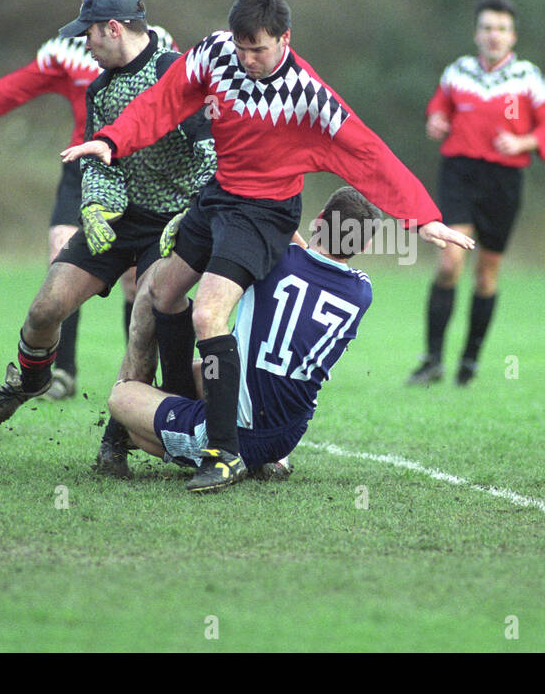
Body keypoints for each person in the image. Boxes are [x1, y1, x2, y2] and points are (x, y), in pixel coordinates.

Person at [61, 0, 474, 492]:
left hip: (264, 214)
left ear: (284, 38)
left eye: (258, 48)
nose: (248, 58)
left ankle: (224, 452)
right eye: (242, 46)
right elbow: (163, 102)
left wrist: (421, 216)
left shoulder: (308, 95)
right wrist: (111, 139)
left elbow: (369, 155)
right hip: (217, 198)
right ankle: (177, 402)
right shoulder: (215, 52)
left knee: (208, 313)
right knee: (158, 295)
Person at [0, 0, 215, 462]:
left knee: (144, 317)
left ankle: (116, 438)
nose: (84, 44)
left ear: (113, 28)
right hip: (122, 221)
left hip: (173, 223)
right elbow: (100, 162)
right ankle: (33, 376)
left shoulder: (175, 73)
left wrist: (194, 212)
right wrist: (96, 208)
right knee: (46, 308)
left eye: (87, 33)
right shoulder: (100, 89)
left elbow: (213, 153)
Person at [0, 0, 177, 400]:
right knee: (63, 250)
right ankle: (61, 372)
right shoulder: (68, 53)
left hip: (143, 177)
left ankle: (134, 381)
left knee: (139, 282)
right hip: (84, 167)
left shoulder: (161, 51)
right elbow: (15, 88)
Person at [108, 188, 378, 490]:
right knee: (201, 370)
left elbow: (286, 247)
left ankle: (224, 455)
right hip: (287, 434)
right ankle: (267, 458)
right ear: (364, 245)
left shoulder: (271, 259)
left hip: (242, 431)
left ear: (318, 221)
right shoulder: (361, 291)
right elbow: (307, 262)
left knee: (123, 398)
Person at [406, 0, 545, 387]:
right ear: (476, 33)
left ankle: (470, 360)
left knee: (486, 274)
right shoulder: (458, 72)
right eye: (488, 28)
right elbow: (437, 110)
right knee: (449, 263)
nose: (494, 35)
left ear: (513, 36)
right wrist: (436, 121)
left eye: (502, 29)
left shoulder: (528, 76)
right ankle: (432, 360)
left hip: (504, 181)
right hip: (459, 173)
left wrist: (524, 142)